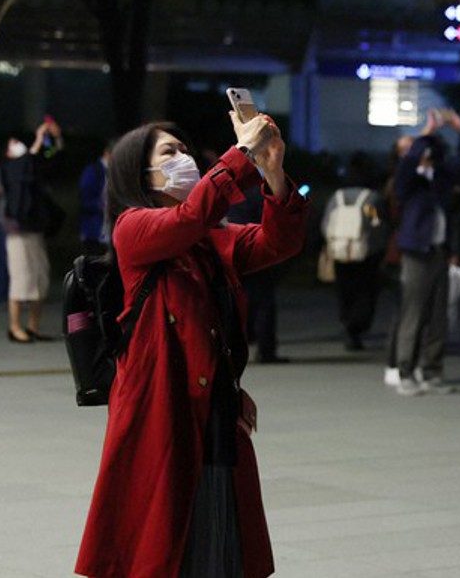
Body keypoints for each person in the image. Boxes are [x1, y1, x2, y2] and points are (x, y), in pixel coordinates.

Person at [76, 114, 306, 578]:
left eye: (185, 150)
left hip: (213, 415)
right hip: (159, 412)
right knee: (160, 547)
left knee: (219, 544)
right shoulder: (132, 227)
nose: (185, 160)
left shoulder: (207, 242)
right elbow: (190, 217)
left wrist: (273, 174)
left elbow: (278, 242)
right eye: (170, 153)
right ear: (140, 175)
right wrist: (240, 155)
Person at [391, 110, 460, 396]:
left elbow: (456, 163)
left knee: (438, 315)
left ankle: (432, 370)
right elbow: (408, 164)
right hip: (416, 252)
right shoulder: (410, 182)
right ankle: (405, 371)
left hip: (437, 251)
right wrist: (426, 133)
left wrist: (457, 132)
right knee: (414, 313)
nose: (425, 154)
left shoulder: (439, 182)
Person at [0, 119, 61, 343]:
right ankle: (14, 327)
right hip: (18, 229)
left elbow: (50, 156)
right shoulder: (9, 167)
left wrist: (51, 138)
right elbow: (27, 164)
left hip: (35, 228)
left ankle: (33, 326)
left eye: (15, 141)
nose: (12, 145)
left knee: (40, 276)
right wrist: (37, 139)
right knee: (21, 277)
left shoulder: (30, 163)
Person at [322, 154, 388, 351]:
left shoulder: (337, 197)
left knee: (345, 291)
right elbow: (377, 226)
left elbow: (326, 223)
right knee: (365, 291)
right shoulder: (371, 198)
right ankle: (356, 327)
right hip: (365, 253)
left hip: (340, 251)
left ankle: (347, 322)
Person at [227, 185, 290, 364]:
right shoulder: (257, 190)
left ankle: (232, 347)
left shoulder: (223, 186)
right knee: (263, 301)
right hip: (252, 247)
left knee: (233, 301)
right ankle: (265, 348)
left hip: (227, 249)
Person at [79, 140, 113, 256]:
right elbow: (85, 200)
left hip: (110, 230)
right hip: (95, 229)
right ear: (108, 153)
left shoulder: (114, 172)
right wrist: (105, 206)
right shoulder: (93, 171)